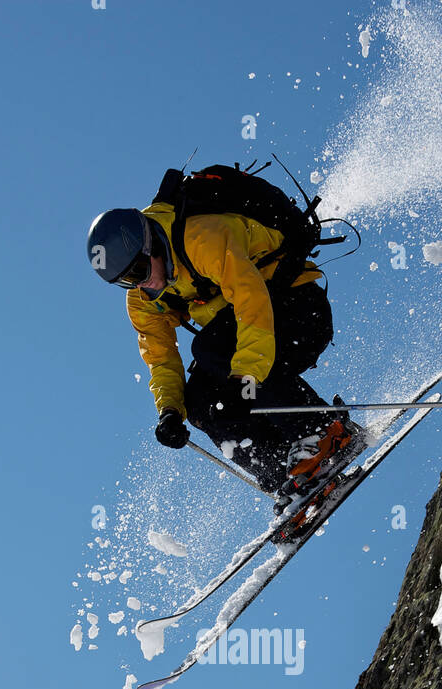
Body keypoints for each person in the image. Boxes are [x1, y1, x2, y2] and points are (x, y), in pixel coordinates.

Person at [86, 187, 366, 504]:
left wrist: (244, 377)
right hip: (245, 343)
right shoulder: (142, 299)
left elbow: (252, 304)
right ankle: (290, 476)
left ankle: (322, 431)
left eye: (139, 270)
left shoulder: (201, 239)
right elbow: (161, 360)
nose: (140, 284)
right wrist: (170, 411)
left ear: (151, 244)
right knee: (199, 401)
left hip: (299, 312)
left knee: (209, 349)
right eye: (126, 281)